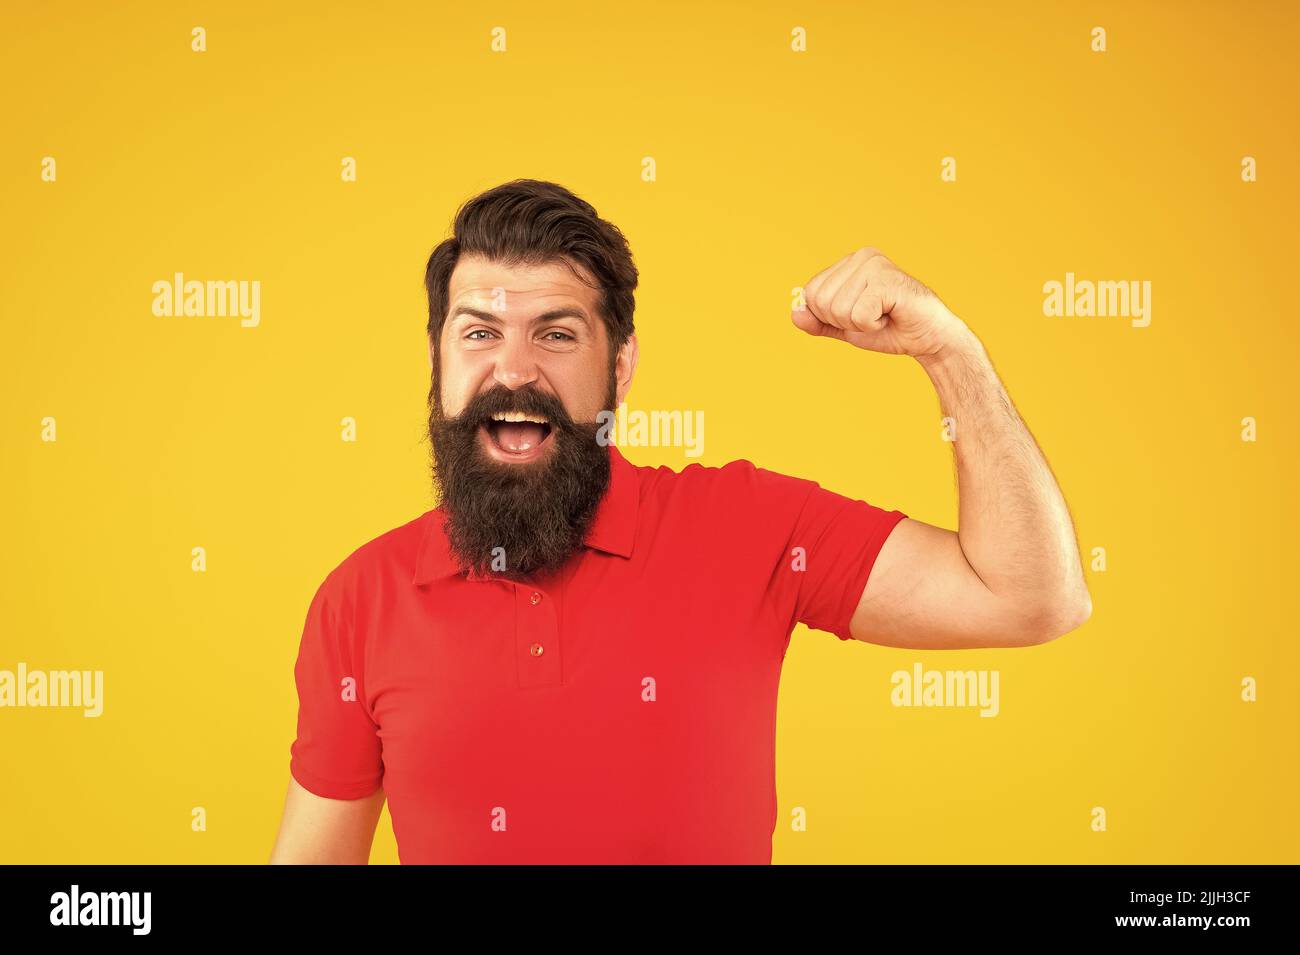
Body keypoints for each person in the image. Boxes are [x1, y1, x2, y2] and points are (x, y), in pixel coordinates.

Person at [269, 179, 1091, 864]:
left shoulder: (748, 526)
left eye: (557, 334)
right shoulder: (358, 600)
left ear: (620, 367)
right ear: (437, 360)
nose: (513, 369)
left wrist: (949, 351)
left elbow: (1030, 596)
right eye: (479, 332)